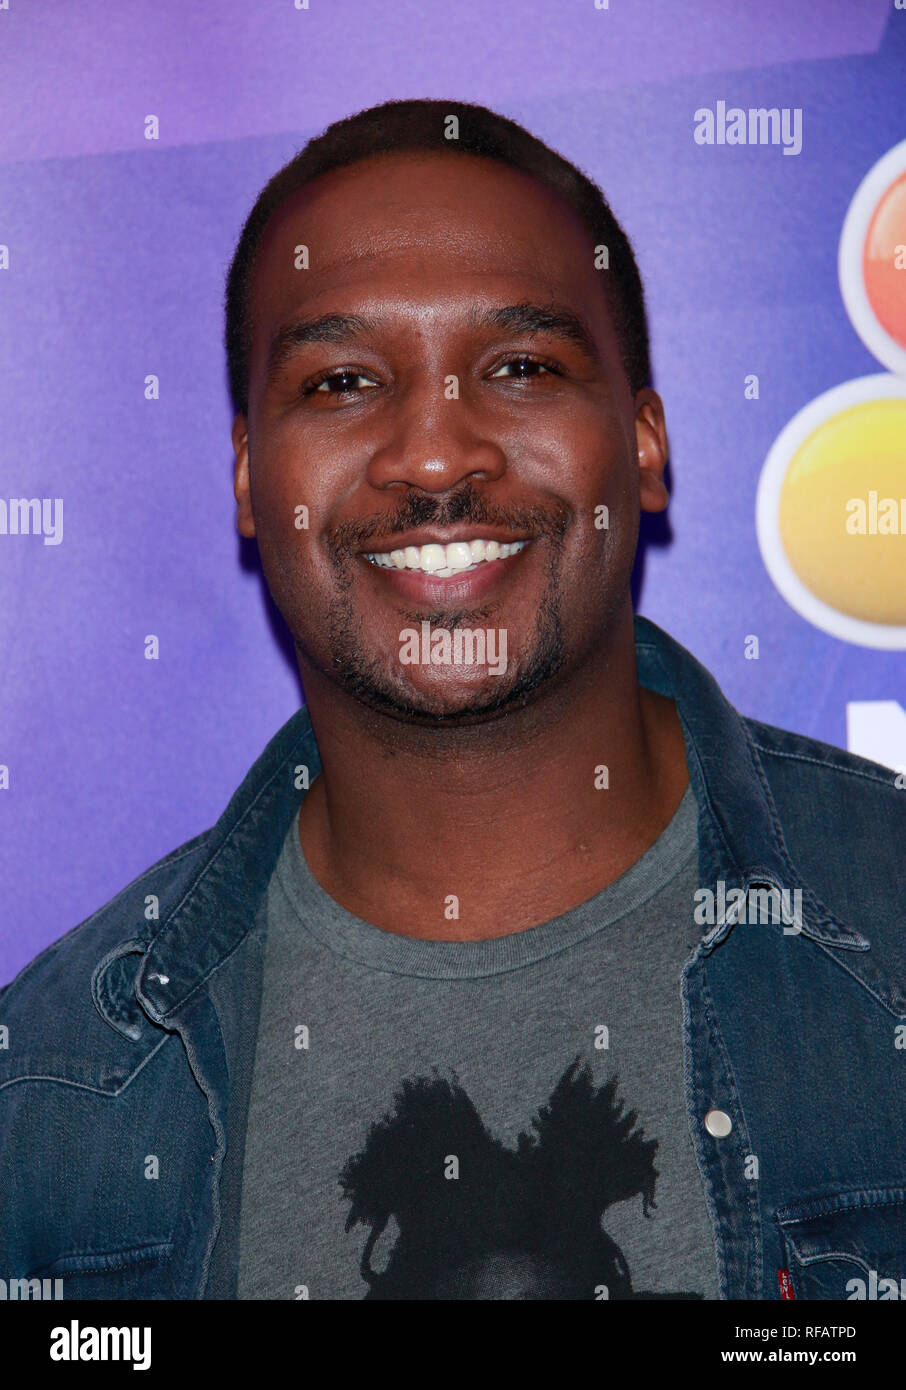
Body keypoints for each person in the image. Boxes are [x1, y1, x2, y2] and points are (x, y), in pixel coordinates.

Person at [1, 98, 903, 1302]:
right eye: (341, 382)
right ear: (247, 479)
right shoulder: (54, 1096)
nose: (434, 454)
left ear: (642, 444)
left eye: (522, 367)